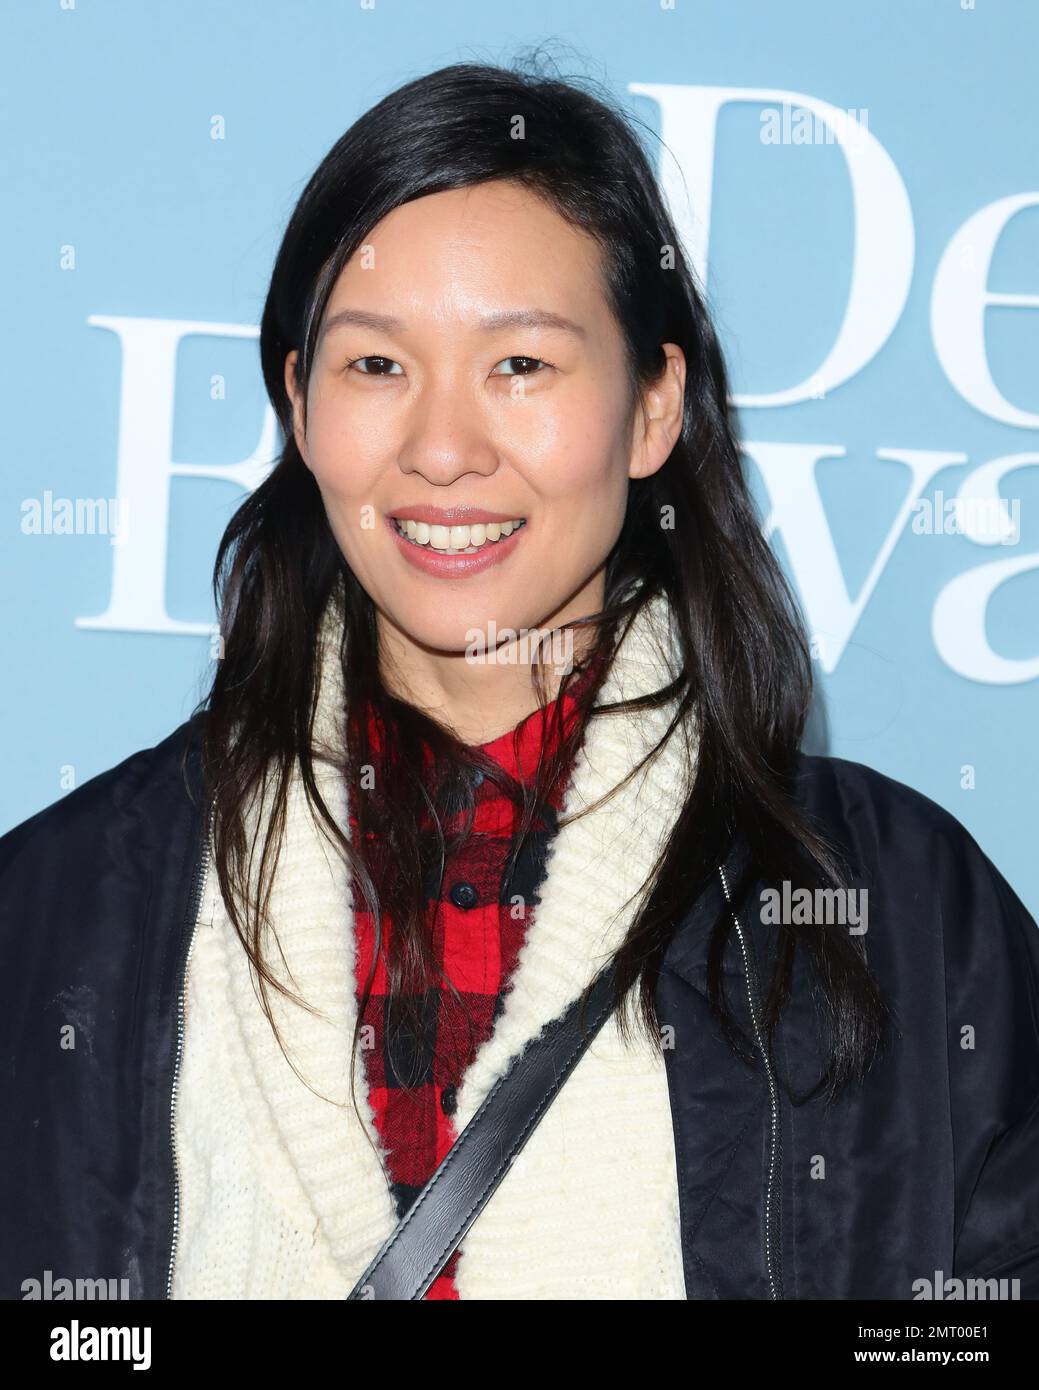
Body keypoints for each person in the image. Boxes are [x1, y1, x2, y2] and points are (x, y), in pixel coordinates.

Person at [2, 58, 1038, 1303]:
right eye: (376, 367)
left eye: (522, 367)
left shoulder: (901, 911)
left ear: (654, 407)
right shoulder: (62, 903)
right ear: (297, 401)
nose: (442, 449)